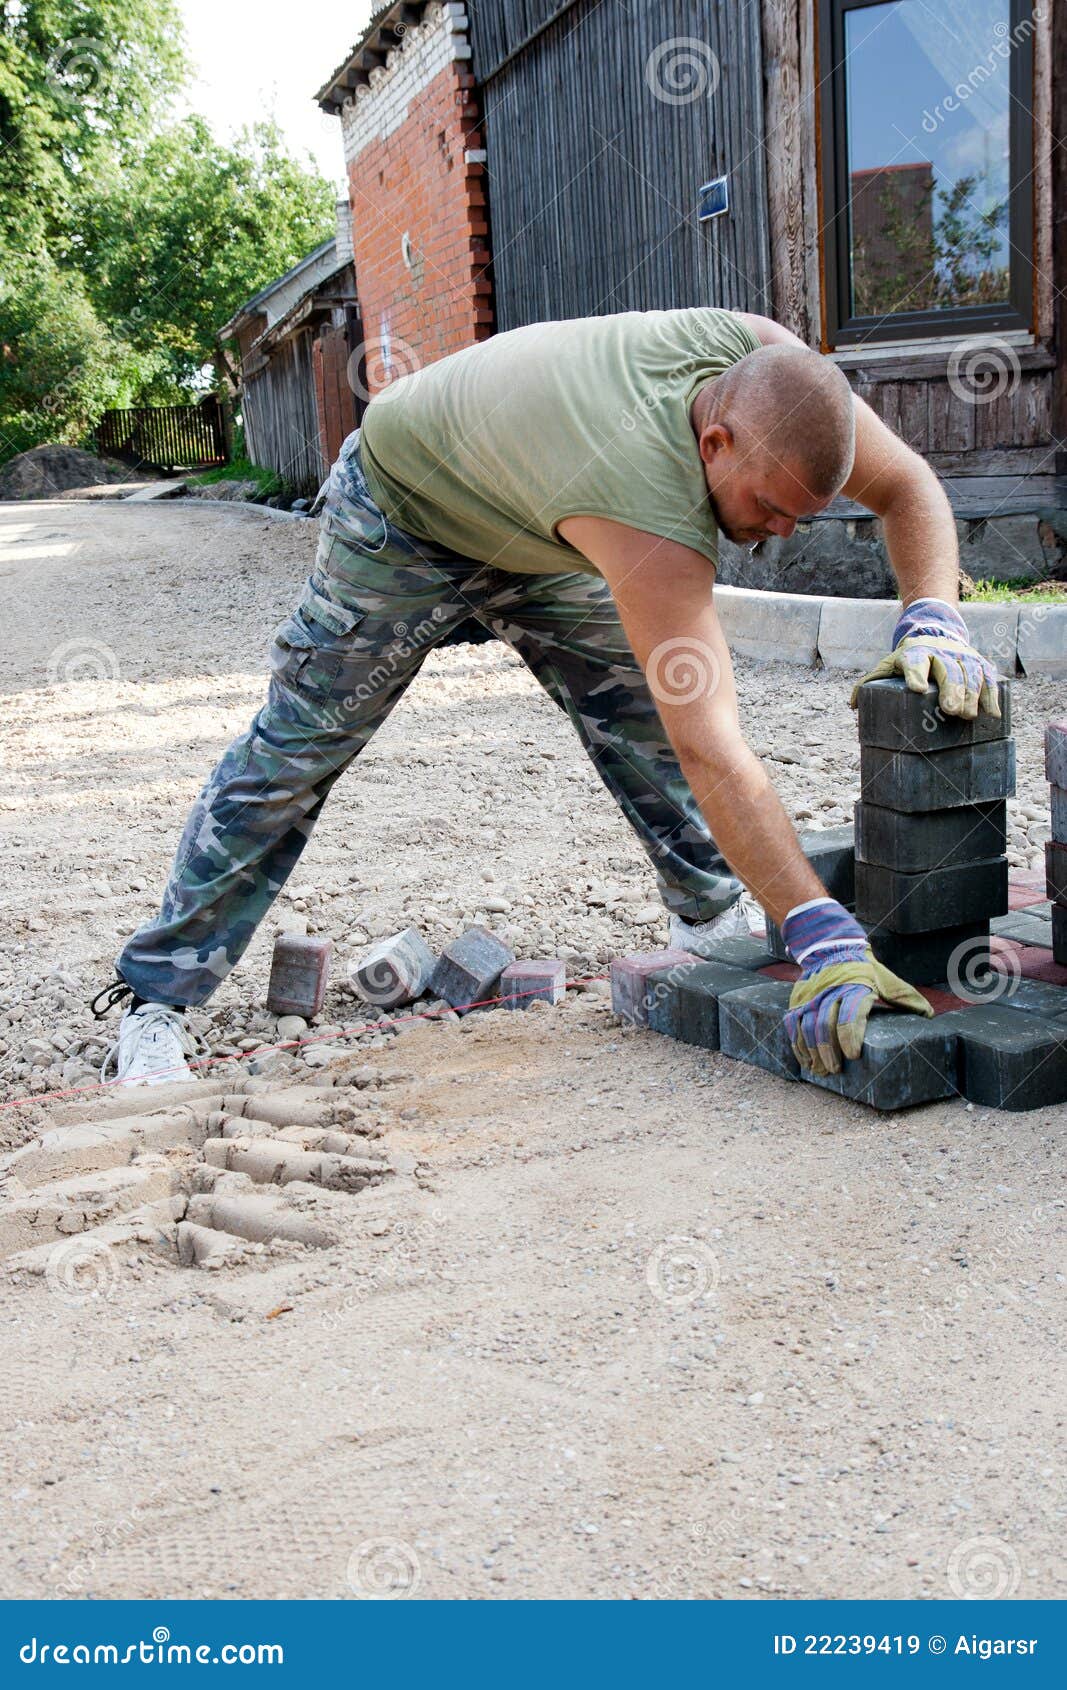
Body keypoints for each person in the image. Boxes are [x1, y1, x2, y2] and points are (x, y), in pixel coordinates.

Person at [92, 306, 999, 1086]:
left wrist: (931, 617)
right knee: (300, 747)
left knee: (636, 713)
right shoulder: (641, 498)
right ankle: (155, 999)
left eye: (801, 514)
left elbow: (909, 486)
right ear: (712, 441)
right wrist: (821, 930)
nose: (775, 536)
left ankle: (711, 925)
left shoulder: (778, 379)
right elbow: (713, 745)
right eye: (768, 507)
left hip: (537, 525)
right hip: (403, 512)